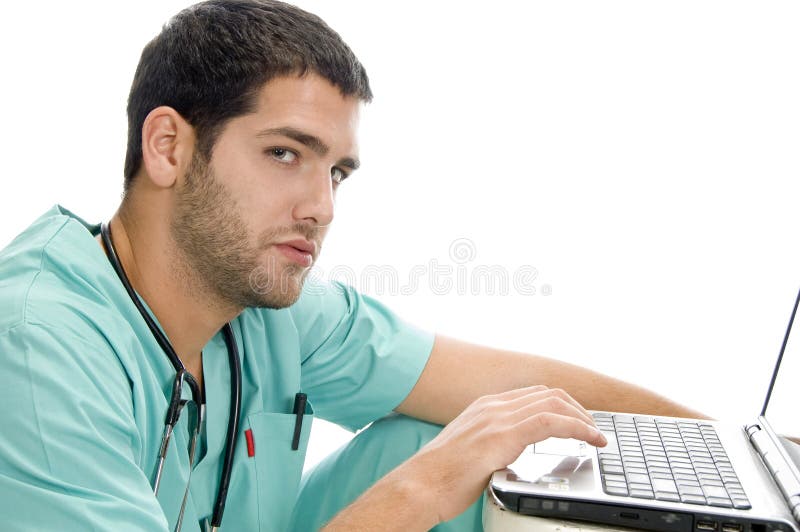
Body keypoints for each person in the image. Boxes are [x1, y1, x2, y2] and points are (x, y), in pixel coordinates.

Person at [0, 1, 704, 530]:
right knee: (438, 466)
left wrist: (728, 447)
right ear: (168, 147)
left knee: (455, 434)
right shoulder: (37, 348)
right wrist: (424, 487)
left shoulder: (263, 307)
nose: (321, 208)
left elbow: (508, 387)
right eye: (284, 153)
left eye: (336, 172)